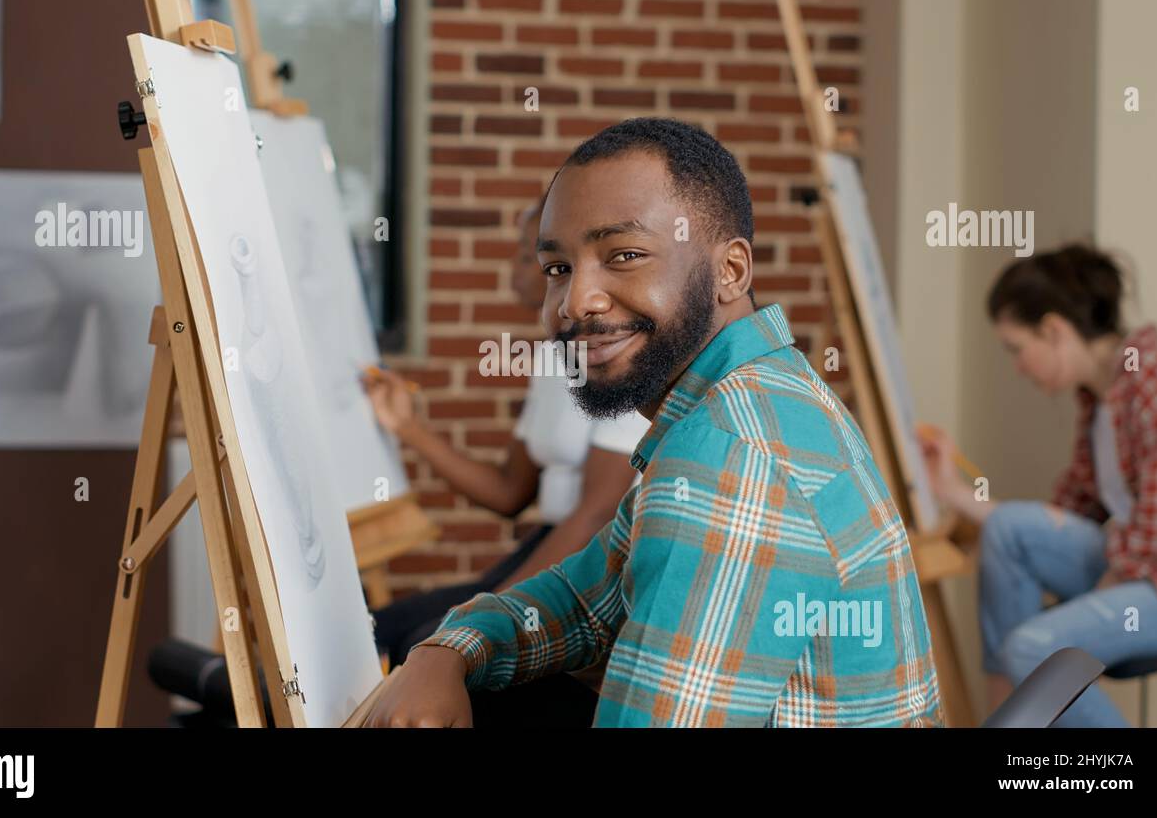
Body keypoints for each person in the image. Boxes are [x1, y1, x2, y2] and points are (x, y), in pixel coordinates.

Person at [364, 117, 943, 727]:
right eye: (558, 268)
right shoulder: (742, 399)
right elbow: (583, 602)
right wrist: (445, 649)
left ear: (732, 271)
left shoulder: (730, 457)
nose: (575, 301)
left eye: (625, 255)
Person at [363, 199, 651, 678]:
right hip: (545, 543)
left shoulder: (615, 356)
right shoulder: (552, 359)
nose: (517, 267)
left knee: (423, 644)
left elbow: (597, 514)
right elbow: (508, 492)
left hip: (589, 564)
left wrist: (490, 614)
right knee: (379, 628)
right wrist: (407, 427)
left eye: (531, 256)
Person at [920, 245, 1157, 727]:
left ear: (1054, 330)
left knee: (1036, 647)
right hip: (1134, 570)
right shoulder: (1099, 399)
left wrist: (1092, 600)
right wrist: (952, 491)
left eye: (1018, 349)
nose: (1018, 366)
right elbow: (1054, 520)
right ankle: (1009, 722)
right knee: (1009, 531)